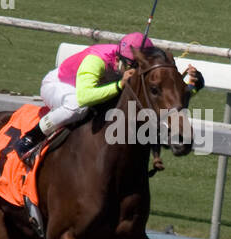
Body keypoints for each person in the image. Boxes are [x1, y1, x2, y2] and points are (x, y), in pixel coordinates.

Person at [14, 31, 153, 161]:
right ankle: (30, 138)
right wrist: (119, 85)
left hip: (93, 87)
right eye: (132, 66)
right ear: (118, 59)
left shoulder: (125, 57)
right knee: (78, 107)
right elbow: (84, 97)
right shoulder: (96, 60)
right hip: (62, 85)